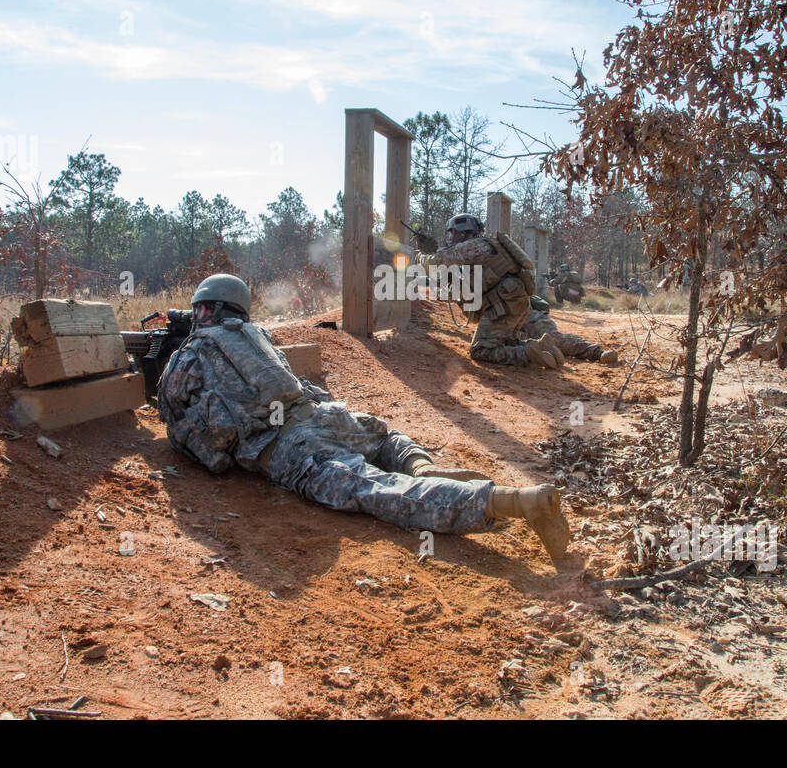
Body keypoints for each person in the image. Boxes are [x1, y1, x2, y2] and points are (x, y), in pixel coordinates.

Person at [157, 274, 571, 560]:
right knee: (384, 436)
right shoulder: (257, 337)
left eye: (198, 311)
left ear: (205, 310)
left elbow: (176, 420)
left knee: (381, 491)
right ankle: (423, 466)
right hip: (326, 415)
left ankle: (515, 503)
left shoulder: (191, 352)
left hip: (289, 448)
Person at [414, 214, 563, 368]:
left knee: (481, 350)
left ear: (463, 232)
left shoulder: (470, 247)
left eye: (452, 232)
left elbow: (434, 262)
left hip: (502, 307)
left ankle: (529, 354)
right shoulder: (487, 244)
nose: (451, 237)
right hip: (515, 303)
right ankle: (541, 347)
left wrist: (419, 255)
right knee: (507, 341)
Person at [522, 295, 619, 365]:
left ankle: (597, 353)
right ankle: (540, 349)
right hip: (512, 325)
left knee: (554, 339)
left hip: (527, 317)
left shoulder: (513, 279)